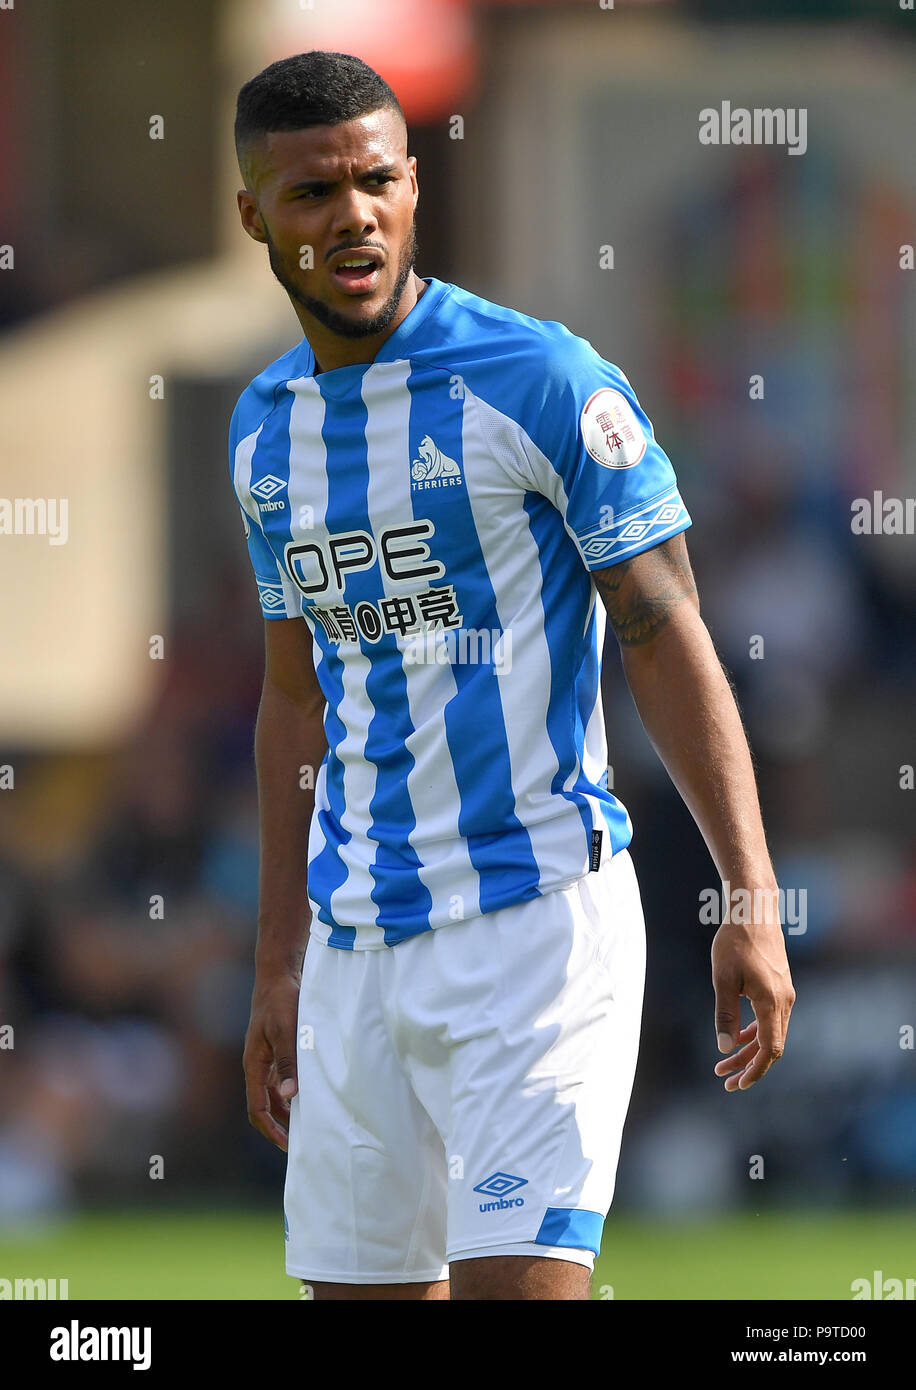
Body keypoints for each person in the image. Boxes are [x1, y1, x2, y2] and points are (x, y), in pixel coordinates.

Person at [230, 50, 795, 1302]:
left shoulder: (539, 379)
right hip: (354, 948)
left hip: (534, 928)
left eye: (376, 182)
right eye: (314, 194)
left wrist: (748, 893)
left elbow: (663, 630)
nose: (353, 216)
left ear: (414, 188)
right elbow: (293, 697)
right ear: (255, 216)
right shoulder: (264, 428)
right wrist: (278, 963)